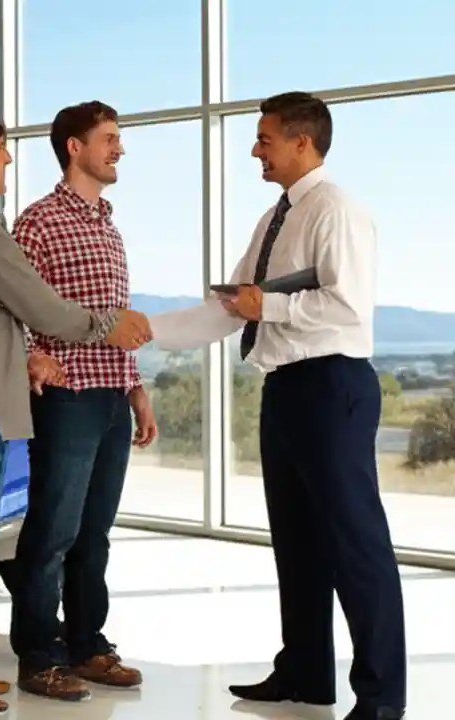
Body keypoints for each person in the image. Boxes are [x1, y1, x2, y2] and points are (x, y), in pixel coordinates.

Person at [0, 110, 152, 717]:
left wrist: (119, 372)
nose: (8, 161)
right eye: (0, 151)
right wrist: (100, 328)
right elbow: (37, 305)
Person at [221, 91, 406, 720]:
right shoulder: (276, 216)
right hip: (287, 389)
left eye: (264, 138)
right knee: (295, 542)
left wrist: (264, 307)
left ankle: (381, 701)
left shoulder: (337, 211)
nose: (255, 150)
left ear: (303, 141)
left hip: (334, 388)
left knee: (357, 549)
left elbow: (348, 306)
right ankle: (303, 673)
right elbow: (241, 294)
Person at [0, 100, 153, 703]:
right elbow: (14, 304)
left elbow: (120, 319)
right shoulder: (37, 222)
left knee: (96, 534)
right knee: (53, 531)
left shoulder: (109, 224)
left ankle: (87, 645)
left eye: (119, 138)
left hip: (110, 395)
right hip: (66, 399)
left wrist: (136, 388)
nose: (119, 148)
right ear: (74, 147)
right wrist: (33, 355)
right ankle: (38, 657)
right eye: (109, 138)